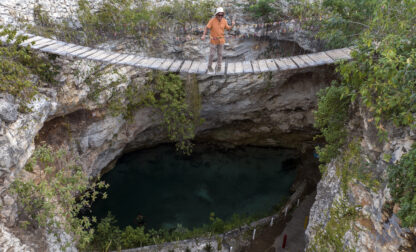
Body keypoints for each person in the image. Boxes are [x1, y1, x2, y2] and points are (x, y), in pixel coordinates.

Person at [201, 7, 235, 72]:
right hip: (213, 40)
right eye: (219, 15)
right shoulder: (212, 20)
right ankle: (209, 66)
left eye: (221, 15)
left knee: (220, 54)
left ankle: (219, 66)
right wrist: (203, 35)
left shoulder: (224, 21)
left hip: (221, 40)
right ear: (216, 14)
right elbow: (206, 28)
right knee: (212, 54)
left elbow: (228, 28)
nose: (220, 16)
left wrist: (232, 25)